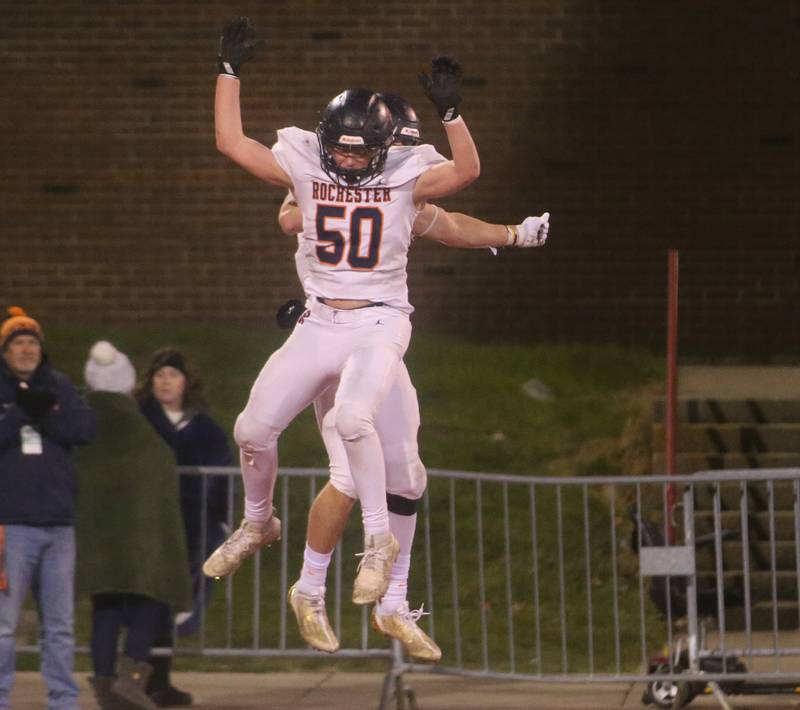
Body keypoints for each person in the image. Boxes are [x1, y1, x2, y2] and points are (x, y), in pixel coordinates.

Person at [203, 16, 480, 613]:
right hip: (319, 319)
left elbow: (466, 174)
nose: (351, 166)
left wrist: (453, 117)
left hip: (379, 319)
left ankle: (379, 540)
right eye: (342, 154)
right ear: (324, 139)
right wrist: (228, 74)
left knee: (355, 420)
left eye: (362, 156)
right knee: (250, 430)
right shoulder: (304, 162)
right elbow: (233, 143)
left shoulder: (406, 173)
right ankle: (258, 522)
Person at [277, 95, 550, 660]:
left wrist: (514, 234)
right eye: (397, 154)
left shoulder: (398, 187)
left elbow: (448, 224)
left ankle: (394, 603)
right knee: (349, 476)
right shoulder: (326, 174)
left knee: (410, 477)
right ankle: (308, 588)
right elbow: (288, 217)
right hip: (331, 338)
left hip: (379, 340)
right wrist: (357, 206)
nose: (403, 169)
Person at [75, 342, 193, 710]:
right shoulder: (139, 432)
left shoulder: (84, 426)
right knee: (147, 602)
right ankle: (132, 678)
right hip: (139, 540)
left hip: (97, 540)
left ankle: (105, 686)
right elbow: (160, 467)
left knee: (105, 608)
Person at [0, 307, 96, 710]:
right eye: (18, 343)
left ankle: (62, 700)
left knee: (59, 626)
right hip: (10, 525)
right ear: (5, 352)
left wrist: (44, 413)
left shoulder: (58, 385)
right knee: (3, 626)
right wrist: (25, 410)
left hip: (58, 524)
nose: (26, 349)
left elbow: (84, 429)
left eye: (32, 342)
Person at [136, 348, 232, 706]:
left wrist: (222, 518)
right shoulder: (141, 419)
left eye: (173, 375)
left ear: (185, 382)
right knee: (149, 601)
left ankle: (160, 679)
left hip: (191, 524)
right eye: (160, 375)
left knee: (174, 601)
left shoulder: (203, 427)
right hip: (147, 522)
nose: (165, 381)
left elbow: (222, 474)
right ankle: (141, 678)